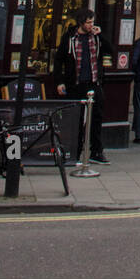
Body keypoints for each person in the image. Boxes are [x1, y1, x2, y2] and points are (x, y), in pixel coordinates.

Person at [55, 9, 112, 163]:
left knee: (96, 118)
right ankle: (75, 151)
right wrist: (60, 81)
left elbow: (110, 50)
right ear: (81, 23)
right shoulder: (70, 38)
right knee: (77, 119)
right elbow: (58, 59)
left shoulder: (96, 38)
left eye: (92, 22)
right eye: (88, 22)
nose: (91, 25)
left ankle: (96, 152)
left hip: (94, 83)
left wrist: (101, 35)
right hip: (76, 84)